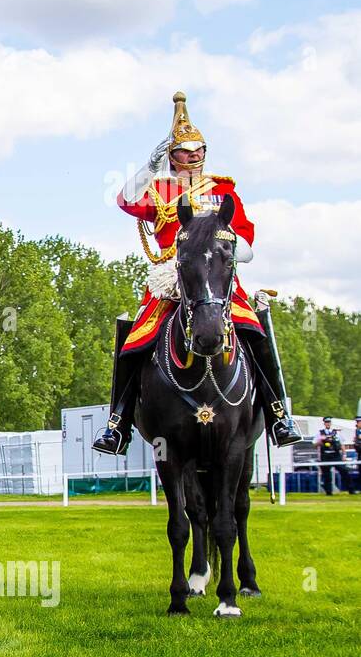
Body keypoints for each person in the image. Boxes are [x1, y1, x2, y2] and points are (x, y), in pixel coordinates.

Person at [93, 91, 303, 455]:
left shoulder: (222, 191)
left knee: (255, 329)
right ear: (171, 157)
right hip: (172, 280)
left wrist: (228, 246)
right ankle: (118, 423)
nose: (193, 157)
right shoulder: (158, 190)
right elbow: (125, 201)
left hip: (218, 279)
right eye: (185, 152)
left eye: (198, 151)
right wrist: (147, 167)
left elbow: (245, 237)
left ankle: (278, 412)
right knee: (134, 340)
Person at [317, 417, 344, 496]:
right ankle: (329, 492)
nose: (328, 423)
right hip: (325, 455)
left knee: (344, 470)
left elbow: (341, 444)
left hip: (335, 454)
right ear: (324, 423)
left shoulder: (336, 432)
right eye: (326, 422)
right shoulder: (320, 433)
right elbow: (315, 444)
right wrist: (321, 440)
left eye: (329, 422)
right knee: (326, 474)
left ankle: (351, 489)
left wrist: (344, 454)